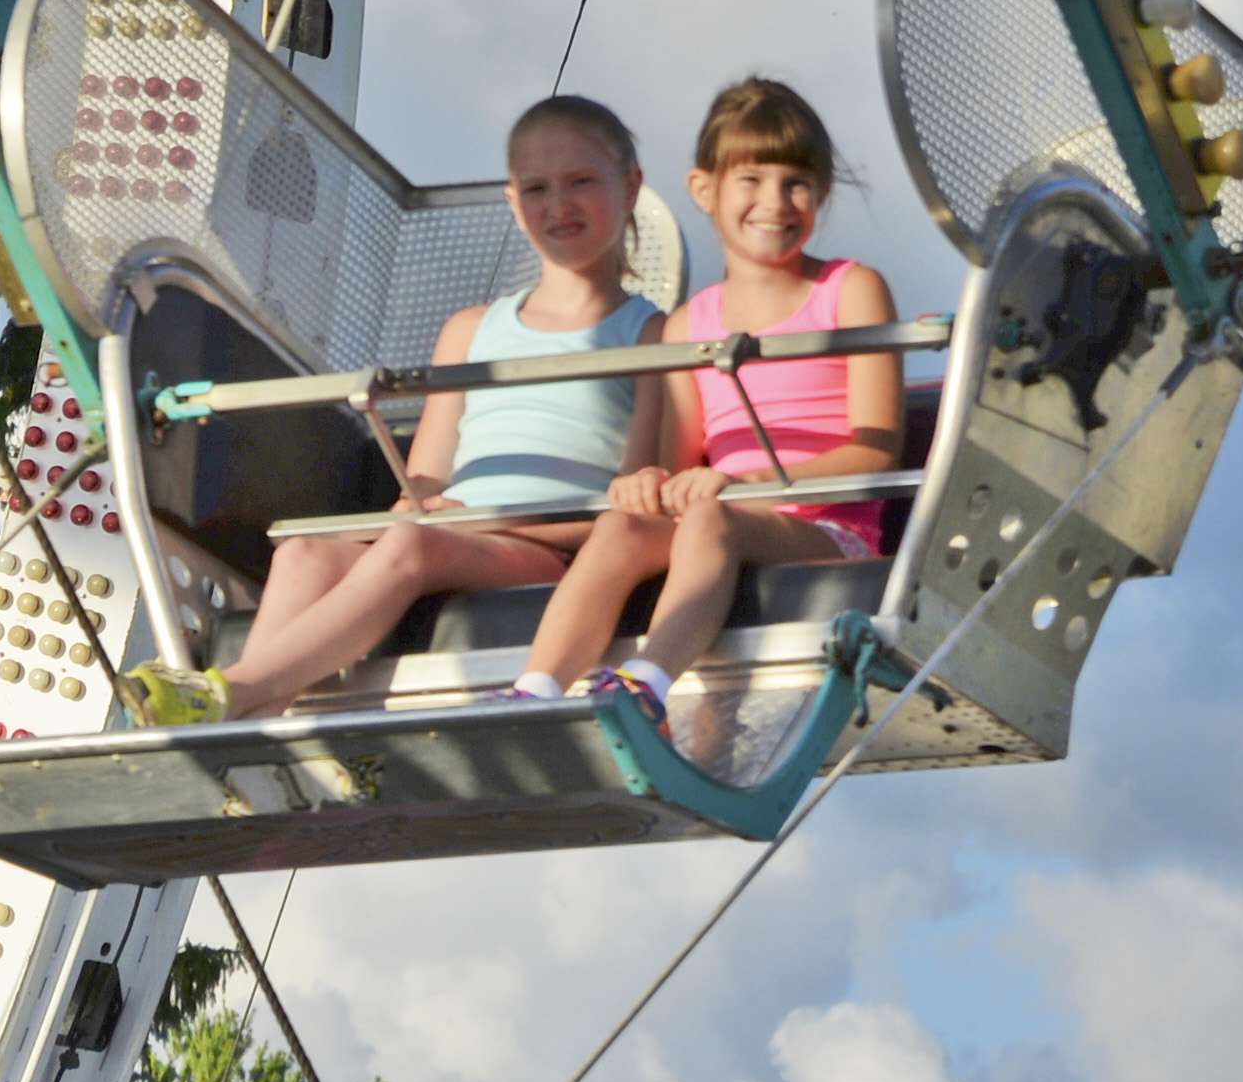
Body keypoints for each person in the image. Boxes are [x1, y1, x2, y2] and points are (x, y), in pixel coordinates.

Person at [187, 93, 666, 719]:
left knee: (415, 547)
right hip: (451, 529)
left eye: (581, 182)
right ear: (513, 205)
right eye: (538, 187)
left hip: (551, 552)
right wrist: (421, 509)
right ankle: (259, 737)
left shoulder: (653, 336)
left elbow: (627, 506)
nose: (560, 204)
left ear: (630, 188)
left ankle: (235, 694)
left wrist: (468, 522)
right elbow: (425, 477)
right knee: (303, 552)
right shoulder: (468, 330)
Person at [504, 77, 906, 723]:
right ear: (706, 190)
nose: (774, 202)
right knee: (623, 528)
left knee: (713, 518)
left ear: (821, 192)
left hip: (829, 531)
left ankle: (646, 685)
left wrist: (746, 483)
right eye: (751, 181)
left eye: (795, 182)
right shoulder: (686, 326)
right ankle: (535, 689)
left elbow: (876, 448)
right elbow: (673, 464)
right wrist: (647, 487)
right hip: (720, 513)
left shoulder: (851, 289)